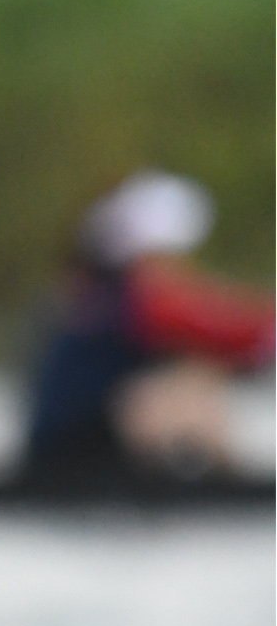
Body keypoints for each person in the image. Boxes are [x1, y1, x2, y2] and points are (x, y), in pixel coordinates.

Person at [23, 169, 273, 488]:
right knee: (193, 383)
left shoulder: (101, 292)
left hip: (84, 439)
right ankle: (226, 486)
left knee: (192, 376)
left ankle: (217, 480)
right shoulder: (138, 298)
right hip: (74, 450)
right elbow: (221, 329)